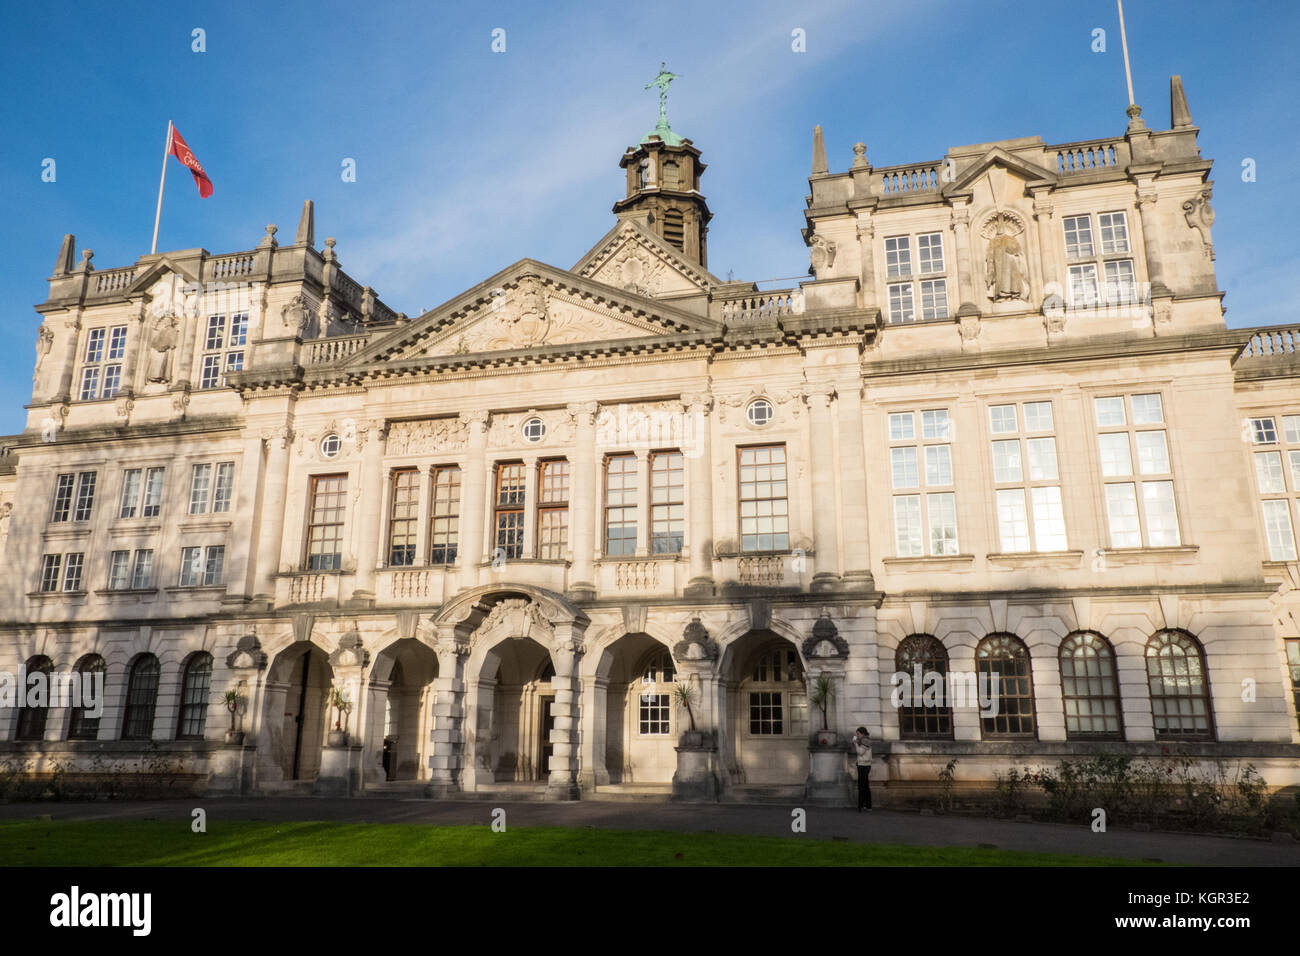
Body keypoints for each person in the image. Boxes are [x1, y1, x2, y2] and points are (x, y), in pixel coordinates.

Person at [851, 726, 872, 811]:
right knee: (865, 786)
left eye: (858, 734)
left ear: (862, 733)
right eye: (856, 734)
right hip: (864, 765)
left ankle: (861, 805)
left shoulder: (865, 741)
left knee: (862, 786)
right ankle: (867, 805)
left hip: (864, 765)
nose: (857, 735)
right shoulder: (864, 740)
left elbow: (860, 752)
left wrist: (856, 743)